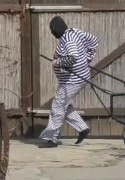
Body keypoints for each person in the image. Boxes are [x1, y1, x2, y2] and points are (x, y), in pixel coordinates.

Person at [40, 16, 98, 147]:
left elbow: (73, 56)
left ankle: (52, 139)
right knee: (63, 104)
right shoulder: (74, 31)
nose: (52, 32)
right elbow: (93, 40)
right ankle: (83, 128)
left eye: (52, 29)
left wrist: (58, 62)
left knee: (57, 106)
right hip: (75, 78)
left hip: (72, 80)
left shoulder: (68, 39)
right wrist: (87, 59)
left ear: (57, 28)